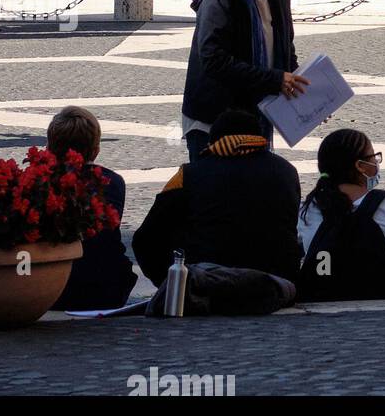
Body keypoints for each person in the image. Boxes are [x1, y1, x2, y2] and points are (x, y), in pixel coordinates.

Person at [181, 0, 308, 159]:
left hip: (254, 118)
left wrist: (306, 96)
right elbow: (213, 60)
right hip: (214, 119)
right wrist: (274, 80)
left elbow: (285, 51)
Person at [132, 108, 303, 285]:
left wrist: (171, 284)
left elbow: (146, 238)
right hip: (278, 284)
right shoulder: (287, 171)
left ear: (212, 140)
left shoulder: (190, 174)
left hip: (209, 285)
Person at [296, 129, 385, 301]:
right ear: (360, 166)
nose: (376, 161)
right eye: (373, 156)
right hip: (382, 310)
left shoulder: (307, 210)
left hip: (324, 309)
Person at [46, 106, 137, 311]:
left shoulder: (41, 181)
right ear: (95, 151)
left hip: (54, 286)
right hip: (105, 286)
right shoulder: (113, 182)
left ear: (50, 148)